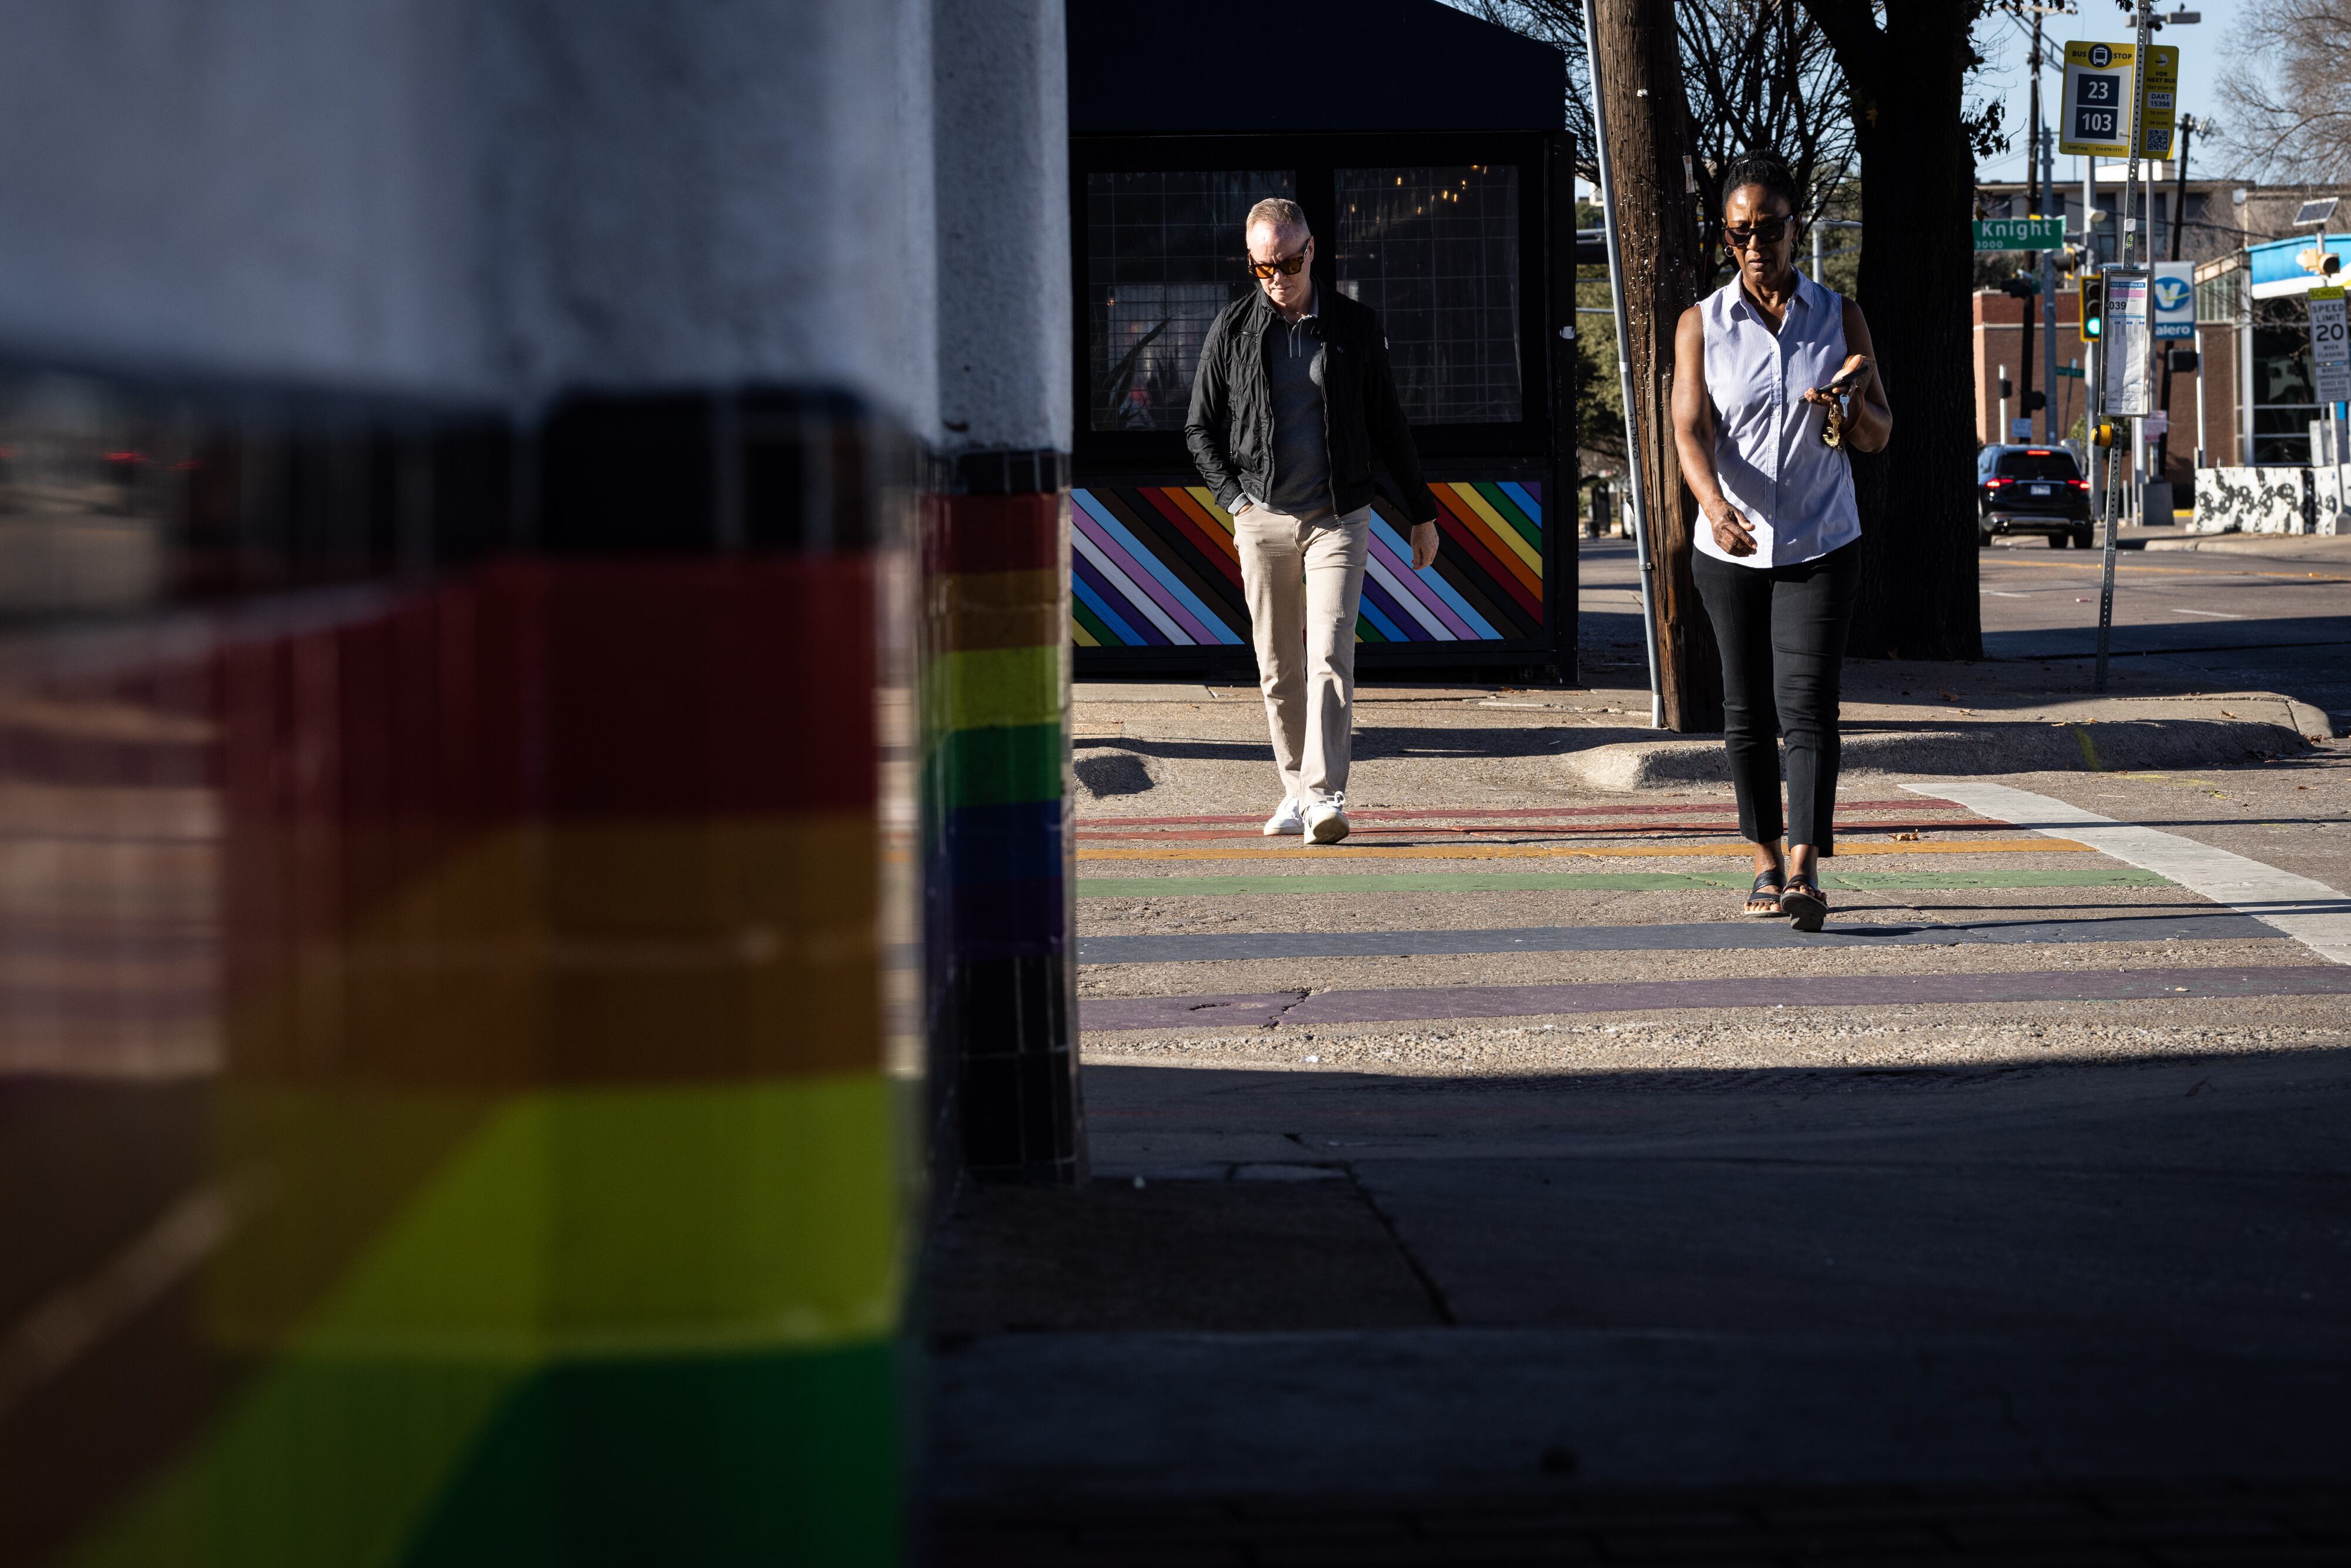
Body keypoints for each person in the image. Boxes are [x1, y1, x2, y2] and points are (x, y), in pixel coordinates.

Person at [1670, 150, 1892, 932]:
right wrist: (1712, 504)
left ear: (1797, 228)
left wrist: (1848, 400)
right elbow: (1689, 429)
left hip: (1820, 539)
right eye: (1739, 233)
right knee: (1744, 707)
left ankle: (1804, 867)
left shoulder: (1840, 316)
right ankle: (1764, 857)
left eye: (1768, 228)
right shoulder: (1702, 324)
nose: (1754, 245)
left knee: (1808, 706)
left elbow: (1876, 434)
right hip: (1729, 546)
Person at [1184, 197, 1441, 845]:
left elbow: (1388, 423)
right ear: (1251, 263)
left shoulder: (1354, 325)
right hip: (1261, 515)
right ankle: (1296, 789)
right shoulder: (1233, 329)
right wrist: (1236, 502)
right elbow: (1199, 428)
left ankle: (1324, 797)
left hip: (1339, 515)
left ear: (1312, 250)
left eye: (1290, 263)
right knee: (1277, 666)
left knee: (1329, 652)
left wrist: (1422, 513)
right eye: (1263, 267)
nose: (1278, 278)